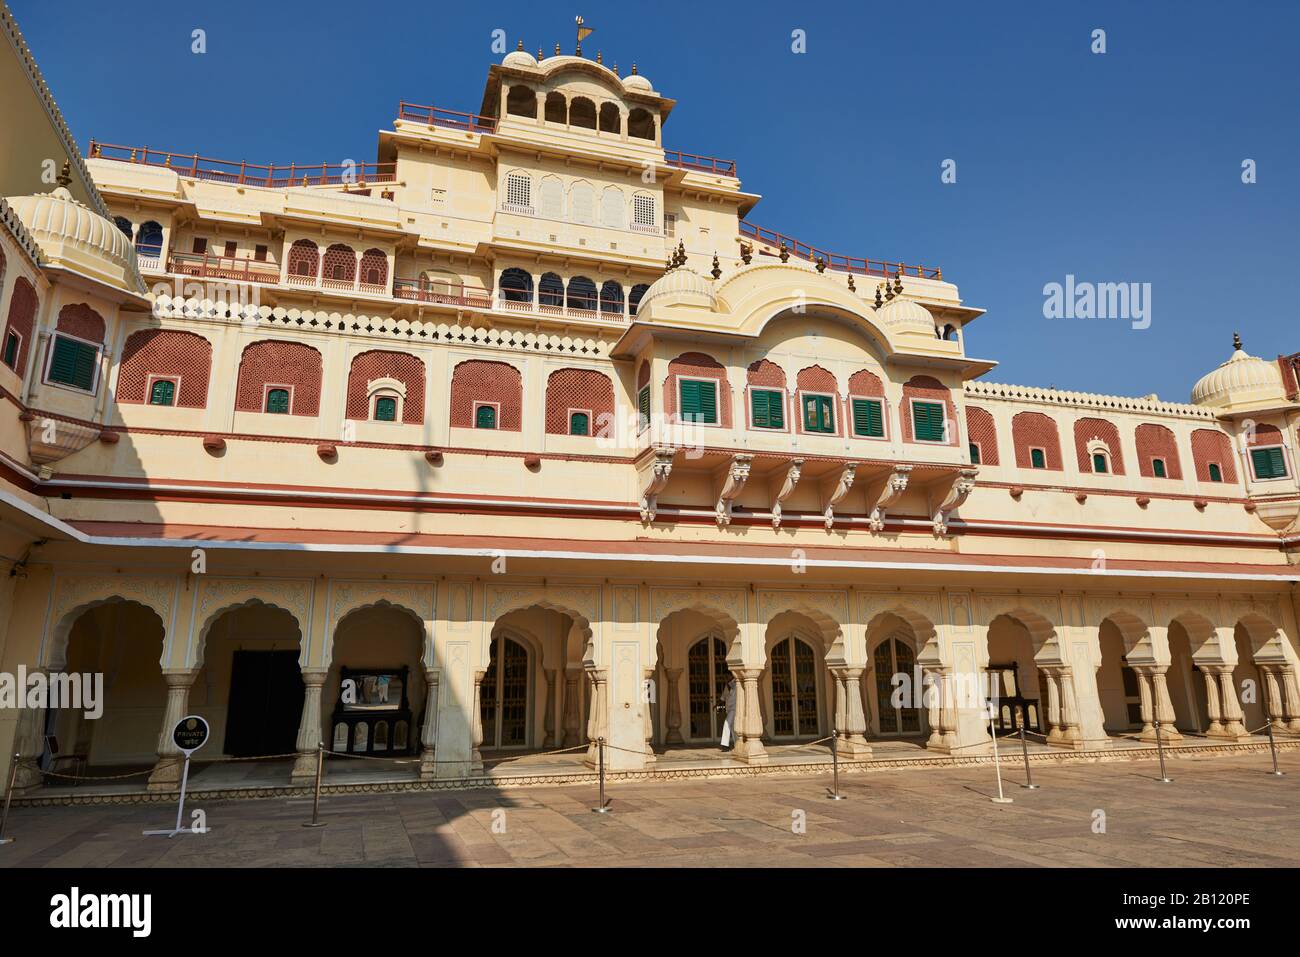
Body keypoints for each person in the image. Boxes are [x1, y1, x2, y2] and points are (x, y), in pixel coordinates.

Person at [719, 675, 737, 751]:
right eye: (724, 678)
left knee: (727, 723)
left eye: (726, 677)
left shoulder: (736, 684)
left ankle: (724, 745)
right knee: (733, 728)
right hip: (729, 709)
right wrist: (716, 705)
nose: (725, 679)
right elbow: (723, 698)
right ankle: (737, 744)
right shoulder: (727, 686)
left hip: (735, 708)